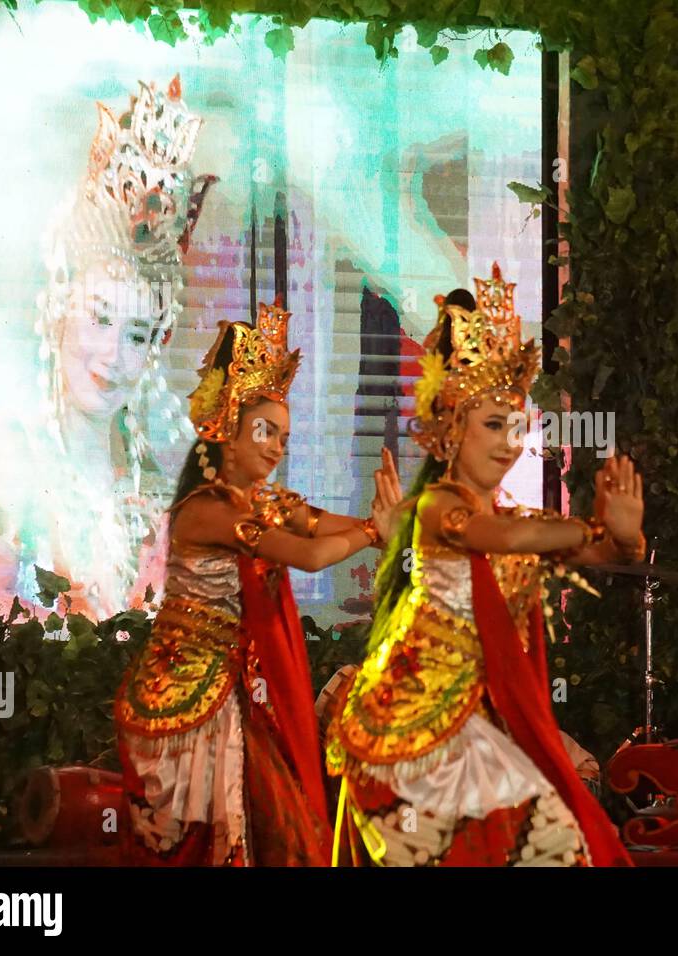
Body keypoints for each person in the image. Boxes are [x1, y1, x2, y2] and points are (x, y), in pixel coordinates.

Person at [324, 265, 642, 866]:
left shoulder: (511, 517)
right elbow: (504, 535)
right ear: (450, 428)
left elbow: (590, 552)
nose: (509, 442)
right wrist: (593, 528)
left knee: (557, 842)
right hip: (416, 735)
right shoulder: (436, 507)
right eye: (493, 425)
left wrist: (624, 538)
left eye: (517, 425)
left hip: (477, 725)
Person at [114, 298, 403, 866]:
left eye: (284, 438)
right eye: (266, 431)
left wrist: (393, 524)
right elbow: (310, 554)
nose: (275, 447)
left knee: (277, 828)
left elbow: (321, 525)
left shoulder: (261, 500)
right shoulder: (208, 509)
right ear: (227, 426)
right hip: (189, 701)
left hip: (235, 694)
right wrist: (375, 531)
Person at [0, 77, 216, 629]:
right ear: (59, 309)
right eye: (99, 318)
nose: (112, 355)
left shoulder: (150, 482)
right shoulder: (12, 459)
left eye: (136, 334)